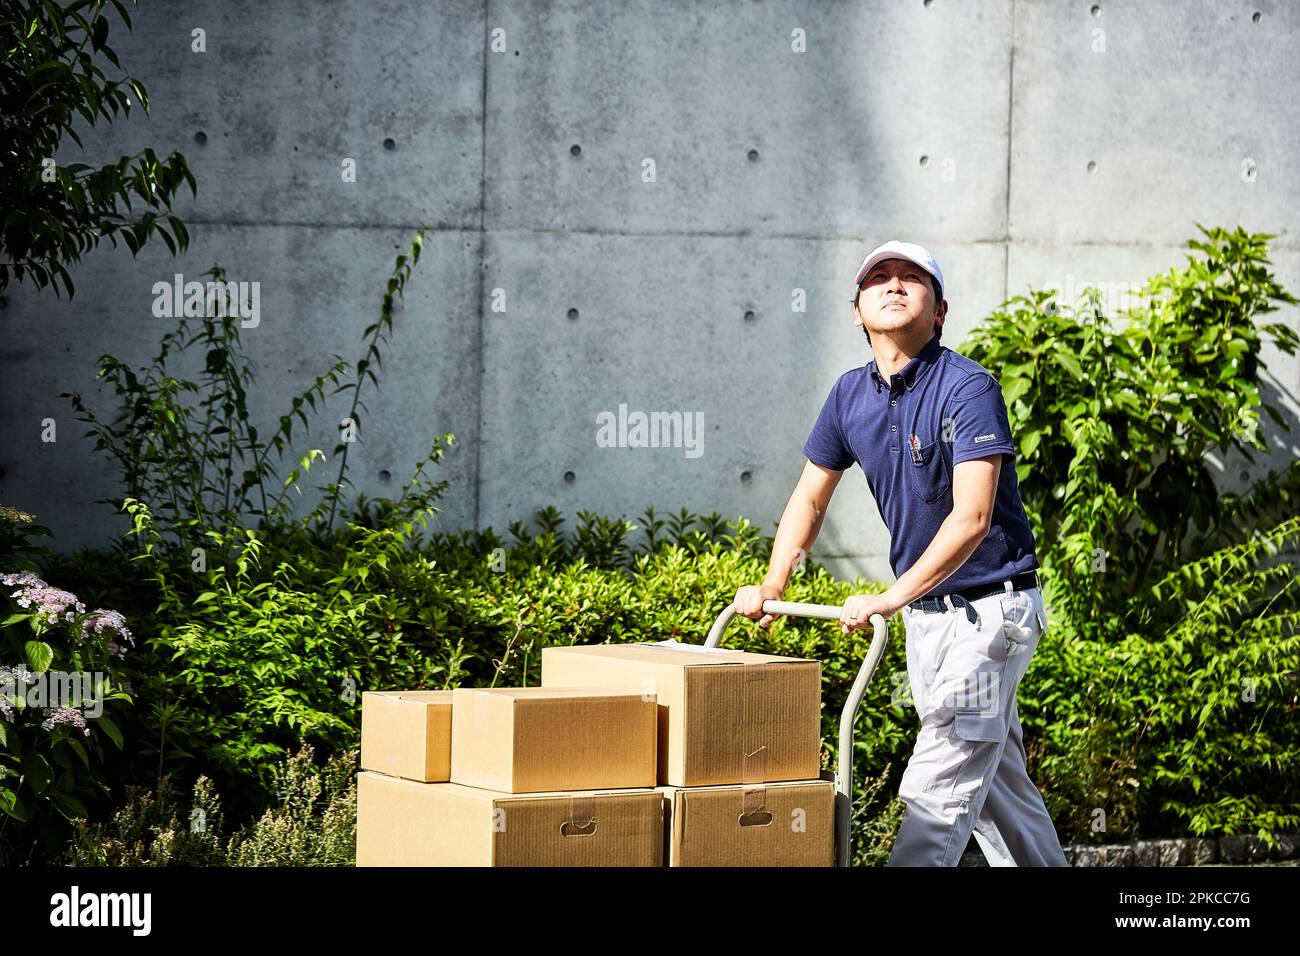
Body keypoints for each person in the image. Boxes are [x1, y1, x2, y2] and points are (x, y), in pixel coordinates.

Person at [733, 240, 1068, 867]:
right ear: (857, 311)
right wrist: (773, 584)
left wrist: (888, 596)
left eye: (912, 278)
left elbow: (971, 518)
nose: (893, 285)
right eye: (878, 278)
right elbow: (809, 499)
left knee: (938, 787)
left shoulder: (968, 388)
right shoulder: (848, 395)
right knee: (998, 792)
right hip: (924, 618)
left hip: (989, 614)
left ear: (939, 311)